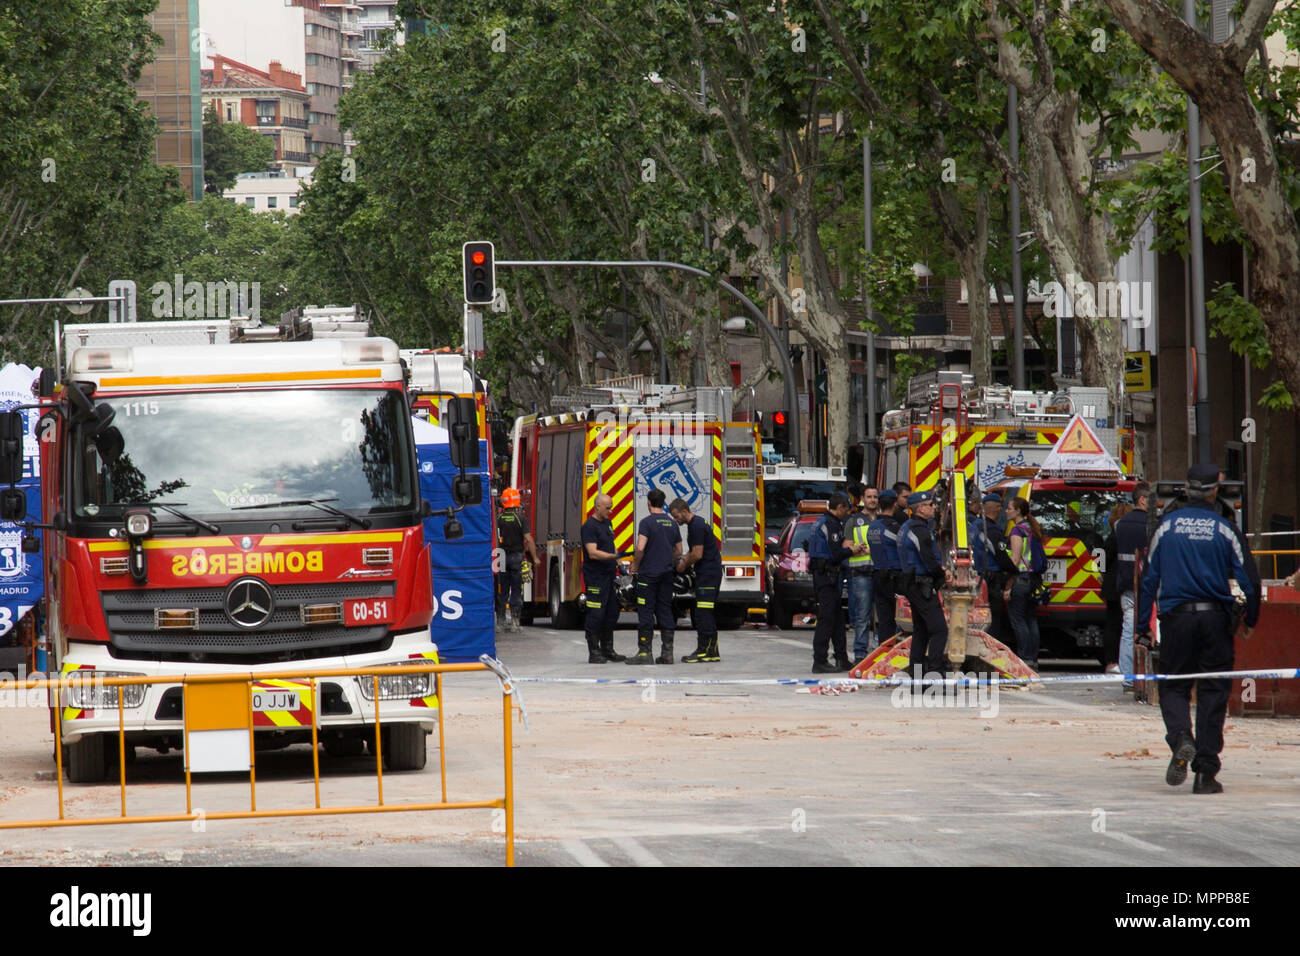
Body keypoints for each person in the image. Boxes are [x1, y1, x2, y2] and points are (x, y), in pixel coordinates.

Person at [1139, 463, 1261, 794]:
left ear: (1185, 489)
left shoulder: (1166, 527)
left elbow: (1148, 579)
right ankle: (1205, 772)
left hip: (1176, 620)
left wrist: (1141, 628)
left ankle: (1180, 737)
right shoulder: (1225, 529)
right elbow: (1250, 581)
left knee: (1173, 686)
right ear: (1215, 492)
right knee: (1213, 692)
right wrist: (1249, 620)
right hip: (1215, 622)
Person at [898, 490, 951, 677]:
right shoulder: (918, 530)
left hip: (915, 584)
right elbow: (928, 559)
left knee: (921, 632)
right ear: (920, 508)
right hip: (922, 585)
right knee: (939, 630)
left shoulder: (908, 526)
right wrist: (942, 574)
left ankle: (918, 677)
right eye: (930, 504)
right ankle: (935, 674)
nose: (934, 507)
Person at [808, 492, 862, 674]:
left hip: (825, 575)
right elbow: (835, 553)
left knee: (837, 620)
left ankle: (842, 658)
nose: (847, 514)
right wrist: (852, 551)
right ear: (839, 508)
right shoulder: (830, 524)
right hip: (826, 577)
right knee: (826, 619)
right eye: (846, 510)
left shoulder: (823, 521)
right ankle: (820, 660)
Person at [627, 488, 682, 665]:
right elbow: (679, 550)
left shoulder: (646, 523)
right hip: (666, 574)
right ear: (663, 503)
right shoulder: (672, 524)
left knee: (645, 611)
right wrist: (666, 559)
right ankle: (667, 654)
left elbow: (641, 548)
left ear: (649, 503)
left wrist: (635, 565)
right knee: (665, 610)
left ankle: (645, 653)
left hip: (648, 575)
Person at [670, 498, 722, 663]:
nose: (676, 520)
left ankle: (704, 651)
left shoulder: (696, 526)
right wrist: (685, 557)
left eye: (676, 516)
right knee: (705, 612)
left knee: (702, 613)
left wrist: (684, 563)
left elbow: (697, 554)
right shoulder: (698, 523)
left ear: (684, 511)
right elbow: (694, 551)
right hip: (708, 573)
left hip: (708, 574)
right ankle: (712, 651)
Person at [1114, 482, 1152, 690]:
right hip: (1149, 586)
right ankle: (1149, 677)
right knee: (1151, 629)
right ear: (1143, 499)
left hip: (1127, 585)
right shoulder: (1153, 525)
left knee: (1128, 631)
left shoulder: (1121, 524)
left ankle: (1128, 678)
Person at [1004, 496, 1047, 670]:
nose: (1006, 511)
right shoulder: (1032, 529)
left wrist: (1008, 585)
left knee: (1018, 620)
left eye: (1009, 508)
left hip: (1020, 580)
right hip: (1033, 580)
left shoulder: (1016, 531)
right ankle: (1033, 659)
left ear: (1018, 511)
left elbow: (1014, 560)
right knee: (1031, 619)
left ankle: (1023, 659)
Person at [580, 493, 624, 664]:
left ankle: (608, 650)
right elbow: (592, 552)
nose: (610, 511)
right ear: (597, 506)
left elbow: (611, 544)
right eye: (607, 508)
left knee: (612, 612)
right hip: (596, 578)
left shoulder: (607, 523)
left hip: (610, 576)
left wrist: (619, 562)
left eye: (611, 507)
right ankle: (594, 651)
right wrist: (613, 556)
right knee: (596, 614)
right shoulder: (589, 527)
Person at [843, 484, 878, 662]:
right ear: (862, 499)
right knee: (862, 617)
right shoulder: (853, 520)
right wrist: (856, 549)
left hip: (880, 574)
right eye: (869, 497)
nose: (872, 500)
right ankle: (860, 655)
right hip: (861, 574)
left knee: (880, 617)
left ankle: (879, 652)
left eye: (875, 497)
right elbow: (846, 546)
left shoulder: (882, 519)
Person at [496, 487, 538, 632]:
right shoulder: (521, 519)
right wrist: (535, 557)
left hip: (500, 556)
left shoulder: (499, 519)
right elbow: (528, 539)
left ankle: (500, 621)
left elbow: (494, 538)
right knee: (516, 589)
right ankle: (514, 622)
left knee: (502, 589)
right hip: (516, 556)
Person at [972, 492, 1012, 644]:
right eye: (1001, 507)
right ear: (996, 508)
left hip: (976, 577)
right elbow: (1001, 556)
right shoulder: (991, 530)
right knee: (993, 617)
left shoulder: (974, 526)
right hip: (991, 579)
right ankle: (992, 646)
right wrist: (1014, 572)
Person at [868, 489, 903, 650]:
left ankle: (883, 654)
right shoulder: (894, 527)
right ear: (895, 504)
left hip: (877, 576)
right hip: (894, 579)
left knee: (884, 621)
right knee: (899, 620)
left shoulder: (872, 526)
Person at [1100, 501, 1132, 676]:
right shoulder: (1126, 535)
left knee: (1113, 624)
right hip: (1125, 584)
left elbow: (1101, 559)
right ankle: (1119, 661)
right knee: (1122, 624)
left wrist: (1103, 575)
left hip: (1113, 586)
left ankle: (1112, 661)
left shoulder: (1112, 536)